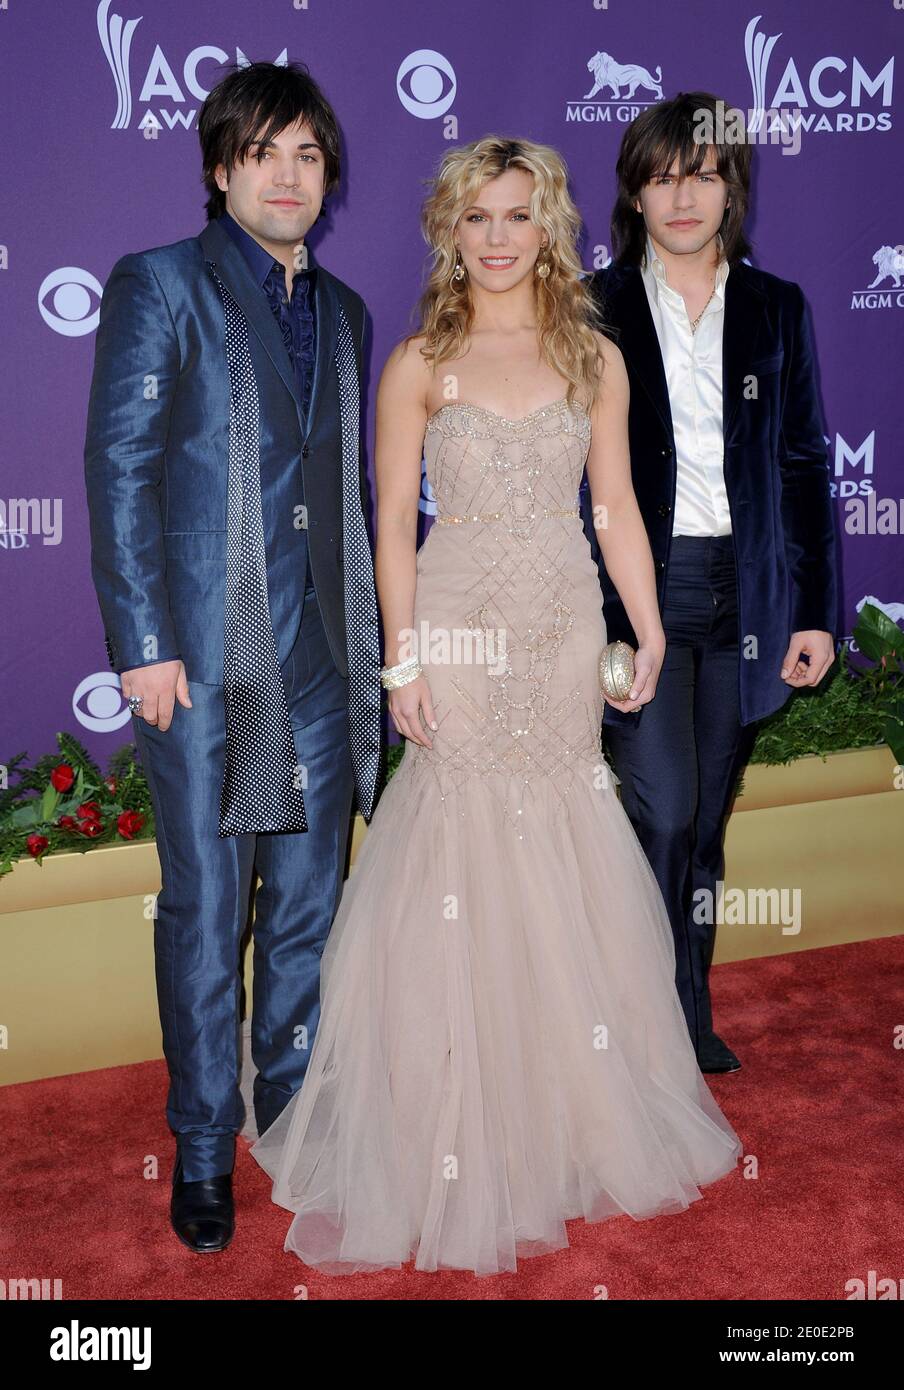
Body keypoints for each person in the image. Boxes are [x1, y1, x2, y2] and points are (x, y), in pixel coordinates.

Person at [249, 136, 742, 1277]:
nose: (499, 238)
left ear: (551, 226)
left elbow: (613, 505)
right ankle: (446, 1126)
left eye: (519, 216)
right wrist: (401, 665)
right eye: (478, 218)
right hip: (460, 627)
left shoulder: (595, 358)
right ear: (448, 228)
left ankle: (563, 1114)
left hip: (563, 623)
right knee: (457, 858)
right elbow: (387, 529)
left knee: (561, 851)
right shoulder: (422, 360)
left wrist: (647, 620)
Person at [83, 61, 381, 1254]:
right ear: (220, 169)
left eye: (308, 155)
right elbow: (122, 471)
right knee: (209, 914)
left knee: (308, 909)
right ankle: (201, 1148)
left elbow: (345, 495)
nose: (288, 175)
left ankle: (294, 1122)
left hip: (314, 667)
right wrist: (144, 647)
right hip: (208, 665)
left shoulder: (349, 312)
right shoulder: (161, 285)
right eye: (265, 153)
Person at [579, 93, 837, 1074]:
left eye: (702, 171)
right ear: (634, 193)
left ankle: (682, 1016)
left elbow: (805, 465)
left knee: (705, 827)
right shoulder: (590, 307)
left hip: (749, 591)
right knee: (663, 811)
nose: (681, 195)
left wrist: (811, 612)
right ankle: (641, 1029)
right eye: (660, 174)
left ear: (731, 186)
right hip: (636, 592)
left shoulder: (777, 307)